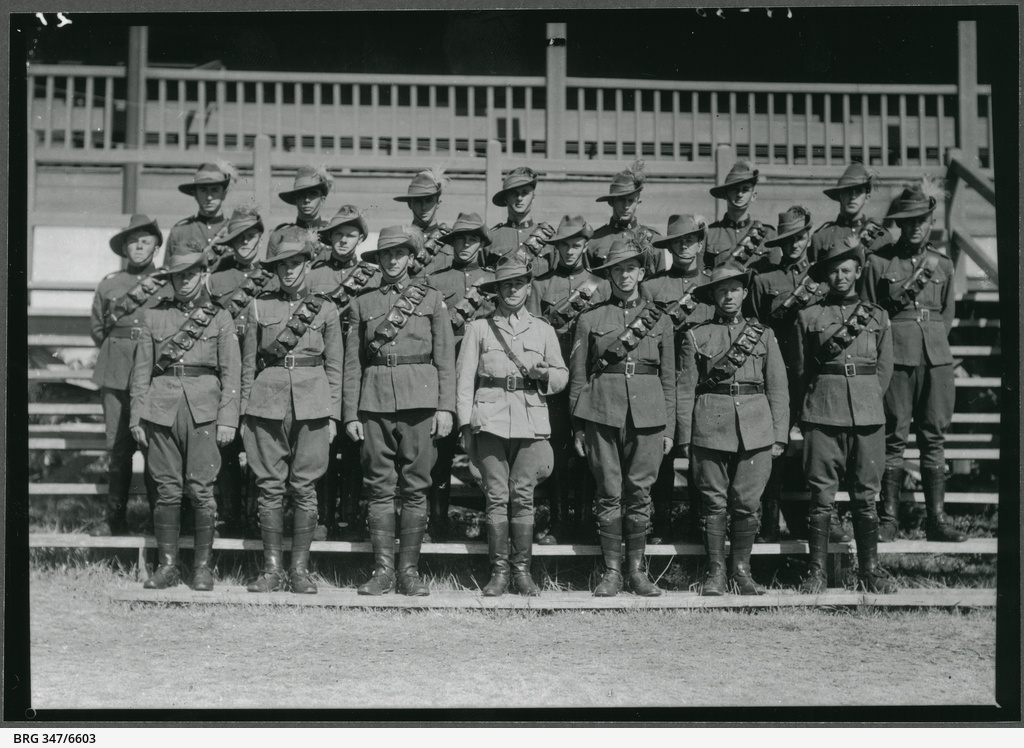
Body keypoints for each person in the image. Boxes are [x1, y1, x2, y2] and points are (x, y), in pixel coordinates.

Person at [344, 225, 456, 596]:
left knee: (416, 487)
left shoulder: (431, 299)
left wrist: (445, 408)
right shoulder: (362, 303)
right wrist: (350, 413)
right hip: (374, 402)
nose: (393, 260)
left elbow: (445, 359)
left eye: (400, 254)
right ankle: (382, 571)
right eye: (386, 255)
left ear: (411, 257)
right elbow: (352, 365)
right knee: (378, 488)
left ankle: (409, 571)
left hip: (421, 402)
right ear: (378, 260)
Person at [128, 244, 241, 590]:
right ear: (171, 278)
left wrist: (228, 419)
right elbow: (141, 373)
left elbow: (232, 373)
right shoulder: (153, 316)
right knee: (167, 491)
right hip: (160, 411)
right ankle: (168, 566)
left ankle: (203, 568)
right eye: (179, 275)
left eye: (192, 273)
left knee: (202, 490)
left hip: (204, 411)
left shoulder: (219, 317)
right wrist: (137, 417)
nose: (185, 280)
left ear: (203, 275)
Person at [456, 252, 568, 596]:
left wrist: (547, 374)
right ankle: (499, 573)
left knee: (523, 495)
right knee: (496, 496)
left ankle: (522, 573)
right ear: (497, 290)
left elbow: (562, 375)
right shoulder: (478, 328)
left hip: (531, 420)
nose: (513, 290)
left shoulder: (544, 329)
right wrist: (464, 427)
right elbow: (464, 381)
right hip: (488, 421)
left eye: (519, 283)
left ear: (528, 287)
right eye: (506, 285)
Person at [240, 226, 344, 594]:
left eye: (296, 262)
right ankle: (271, 570)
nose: (288, 270)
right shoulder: (257, 306)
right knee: (269, 486)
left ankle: (299, 570)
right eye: (281, 264)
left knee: (305, 487)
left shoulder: (326, 308)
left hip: (313, 403)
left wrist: (332, 416)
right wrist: (243, 415)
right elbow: (247, 364)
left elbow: (335, 367)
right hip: (266, 405)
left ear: (307, 264)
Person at [570, 239, 675, 597]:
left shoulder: (660, 321)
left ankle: (637, 572)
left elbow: (670, 379)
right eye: (617, 269)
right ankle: (612, 572)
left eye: (631, 268)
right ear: (609, 275)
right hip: (601, 412)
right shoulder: (591, 319)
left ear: (642, 272)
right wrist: (578, 427)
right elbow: (579, 378)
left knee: (640, 492)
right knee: (609, 490)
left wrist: (670, 428)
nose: (624, 274)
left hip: (648, 415)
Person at [862, 183, 966, 543]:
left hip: (935, 358)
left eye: (921, 220)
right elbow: (871, 312)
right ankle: (888, 517)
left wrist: (932, 342)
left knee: (934, 436)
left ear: (931, 220)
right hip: (897, 356)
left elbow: (946, 316)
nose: (915, 227)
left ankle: (936, 519)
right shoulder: (879, 263)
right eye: (908, 221)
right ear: (899, 225)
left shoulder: (944, 265)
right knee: (893, 436)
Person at [677, 262, 789, 596]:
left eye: (735, 289)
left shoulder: (764, 334)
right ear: (712, 295)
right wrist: (685, 436)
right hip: (710, 424)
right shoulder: (696, 336)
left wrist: (779, 435)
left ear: (744, 293)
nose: (729, 296)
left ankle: (742, 571)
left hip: (756, 426)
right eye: (722, 290)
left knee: (747, 502)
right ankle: (715, 573)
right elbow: (685, 389)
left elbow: (778, 389)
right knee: (714, 502)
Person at [794, 235, 896, 594]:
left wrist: (867, 399)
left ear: (858, 271)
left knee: (866, 496)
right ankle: (816, 571)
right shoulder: (809, 316)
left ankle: (870, 570)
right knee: (821, 496)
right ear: (826, 275)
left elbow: (884, 370)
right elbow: (802, 370)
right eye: (834, 271)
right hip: (822, 413)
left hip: (868, 416)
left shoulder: (878, 316)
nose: (841, 277)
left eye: (847, 270)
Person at [746, 206, 836, 543]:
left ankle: (814, 524)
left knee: (818, 446)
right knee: (773, 449)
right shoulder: (765, 280)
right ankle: (767, 523)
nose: (794, 244)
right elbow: (753, 325)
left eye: (799, 237)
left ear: (808, 235)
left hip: (815, 372)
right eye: (787, 239)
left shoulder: (824, 277)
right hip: (776, 373)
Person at [528, 215, 610, 543]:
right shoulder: (541, 285)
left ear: (585, 245)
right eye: (565, 245)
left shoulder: (600, 285)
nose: (571, 251)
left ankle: (587, 521)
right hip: (554, 380)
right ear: (557, 247)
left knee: (590, 451)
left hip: (591, 377)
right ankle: (560, 521)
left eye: (577, 244)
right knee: (558, 450)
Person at [89, 215, 169, 536]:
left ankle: (157, 520)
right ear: (124, 246)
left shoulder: (167, 282)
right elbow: (98, 329)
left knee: (154, 448)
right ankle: (115, 520)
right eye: (133, 241)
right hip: (115, 371)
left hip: (153, 373)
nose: (138, 246)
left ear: (156, 245)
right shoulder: (109, 284)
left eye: (145, 240)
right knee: (120, 449)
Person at [308, 205, 380, 542]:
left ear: (361, 238)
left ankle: (350, 518)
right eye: (337, 234)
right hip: (321, 368)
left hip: (356, 367)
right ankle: (322, 517)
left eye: (350, 235)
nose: (343, 240)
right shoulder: (314, 276)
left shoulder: (373, 275)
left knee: (353, 447)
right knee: (323, 442)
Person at [642, 215, 715, 544]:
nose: (685, 246)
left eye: (690, 240)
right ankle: (663, 522)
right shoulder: (653, 287)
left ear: (700, 244)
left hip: (704, 384)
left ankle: (701, 524)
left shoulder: (713, 286)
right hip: (663, 382)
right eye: (678, 241)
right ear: (669, 246)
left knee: (704, 454)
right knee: (664, 456)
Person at [426, 212, 496, 541]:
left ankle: (491, 529)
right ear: (451, 243)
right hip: (449, 374)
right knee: (440, 452)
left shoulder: (493, 280)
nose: (465, 244)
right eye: (459, 238)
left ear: (481, 242)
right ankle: (436, 523)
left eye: (471, 239)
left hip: (485, 379)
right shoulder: (435, 281)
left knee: (489, 453)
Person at [206, 203, 274, 538]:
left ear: (260, 237)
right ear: (231, 242)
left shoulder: (273, 275)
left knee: (260, 447)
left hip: (263, 369)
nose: (246, 242)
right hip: (225, 371)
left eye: (251, 236)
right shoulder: (216, 280)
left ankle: (255, 519)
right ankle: (230, 516)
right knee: (227, 447)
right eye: (239, 238)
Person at [587, 160, 665, 276]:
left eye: (631, 200)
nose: (626, 206)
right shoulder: (595, 241)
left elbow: (658, 283)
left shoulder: (653, 239)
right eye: (621, 200)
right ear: (611, 202)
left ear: (638, 202)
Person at [705, 161, 777, 273]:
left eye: (745, 189)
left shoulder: (768, 234)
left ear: (753, 196)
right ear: (725, 194)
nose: (739, 194)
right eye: (734, 189)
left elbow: (774, 277)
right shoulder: (710, 234)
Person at [810, 163, 891, 263]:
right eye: (848, 190)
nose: (853, 196)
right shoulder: (822, 237)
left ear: (867, 197)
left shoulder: (881, 235)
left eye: (858, 191)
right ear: (839, 195)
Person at [486, 166, 556, 274]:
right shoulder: (492, 238)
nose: (519, 198)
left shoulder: (549, 239)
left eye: (525, 193)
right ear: (505, 198)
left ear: (533, 197)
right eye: (513, 193)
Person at [168, 162, 236, 262]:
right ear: (195, 194)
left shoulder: (234, 231)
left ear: (223, 194)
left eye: (215, 190)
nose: (209, 197)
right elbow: (168, 272)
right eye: (203, 190)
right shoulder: (179, 232)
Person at [393, 168, 452, 276]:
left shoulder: (451, 239)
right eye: (418, 201)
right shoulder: (399, 239)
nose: (424, 207)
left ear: (438, 203)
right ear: (409, 204)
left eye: (429, 201)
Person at [277, 165, 334, 236]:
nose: (307, 200)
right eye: (301, 194)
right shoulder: (280, 236)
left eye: (313, 193)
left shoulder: (331, 234)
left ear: (322, 200)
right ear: (295, 199)